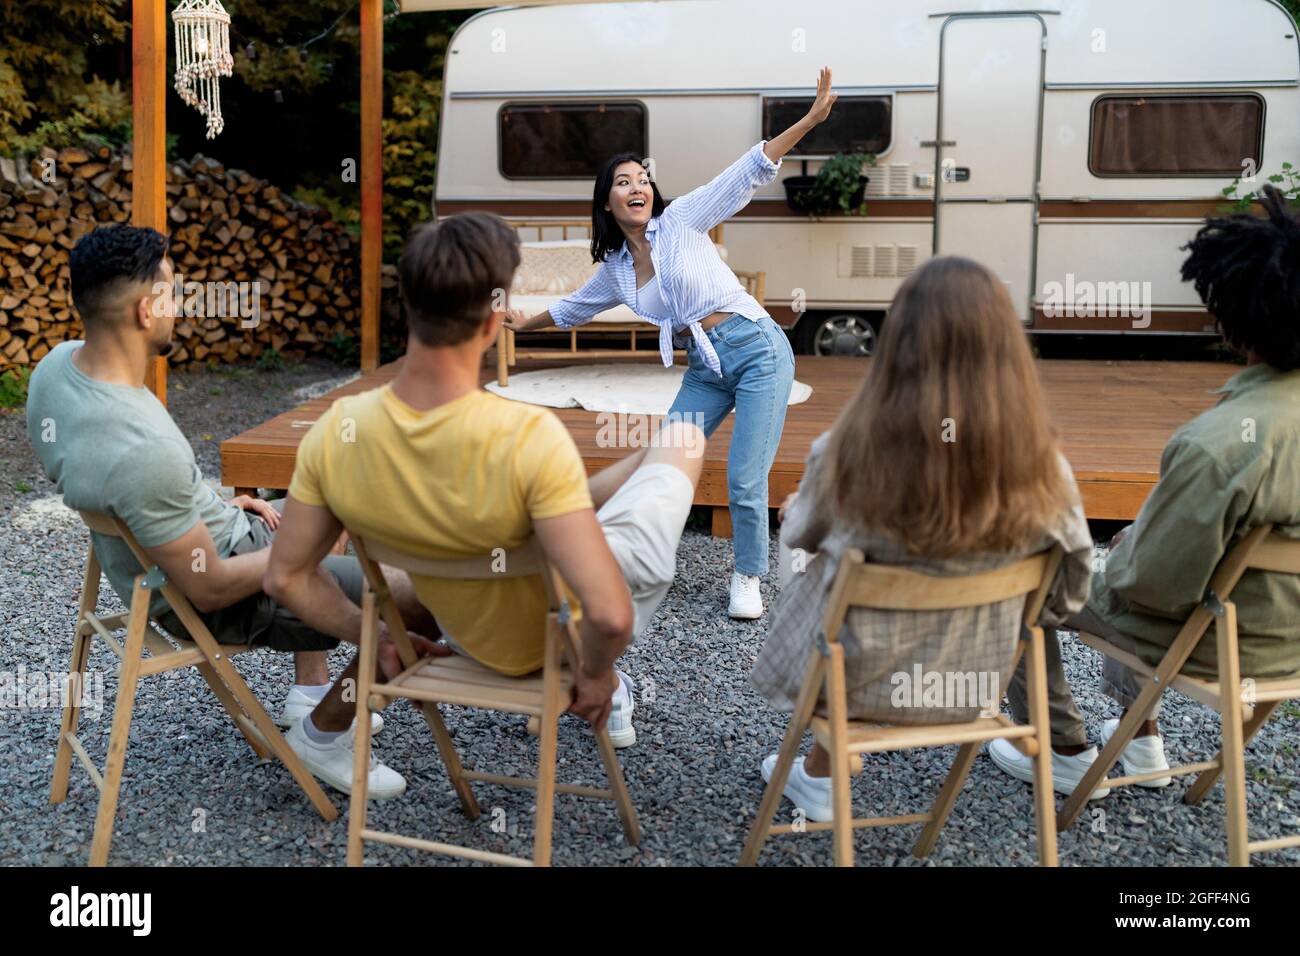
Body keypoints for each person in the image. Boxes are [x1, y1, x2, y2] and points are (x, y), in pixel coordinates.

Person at [264, 212, 705, 773]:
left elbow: (285, 576)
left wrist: (376, 635)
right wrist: (596, 675)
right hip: (560, 643)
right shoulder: (527, 437)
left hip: (462, 633)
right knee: (684, 438)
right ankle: (607, 502)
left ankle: (593, 493)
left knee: (596, 482)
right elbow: (612, 618)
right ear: (497, 320)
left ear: (407, 307)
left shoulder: (336, 431)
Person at [25, 224, 430, 800]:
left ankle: (311, 693)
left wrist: (210, 505)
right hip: (218, 593)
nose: (181, 302)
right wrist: (302, 546)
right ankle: (325, 733)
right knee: (423, 592)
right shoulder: (142, 450)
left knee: (354, 491)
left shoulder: (57, 368)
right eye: (172, 290)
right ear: (145, 312)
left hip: (183, 552)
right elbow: (211, 587)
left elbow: (129, 490)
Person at [750, 256, 1094, 823]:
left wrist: (798, 513)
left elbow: (802, 534)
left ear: (898, 344)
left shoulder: (847, 452)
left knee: (810, 554)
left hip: (857, 686)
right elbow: (1073, 580)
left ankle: (818, 772)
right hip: (976, 681)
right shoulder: (1045, 468)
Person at [990, 184, 1300, 796]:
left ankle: (1064, 748)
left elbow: (1153, 589)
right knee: (1140, 546)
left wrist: (1118, 555)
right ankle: (1140, 741)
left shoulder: (1217, 444)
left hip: (1217, 645)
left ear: (1232, 318)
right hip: (1289, 646)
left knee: (1019, 573)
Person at [504, 68, 844, 621]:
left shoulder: (683, 219)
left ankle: (748, 576)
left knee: (743, 473)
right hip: (705, 366)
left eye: (643, 178)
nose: (637, 186)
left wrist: (808, 119)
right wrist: (524, 323)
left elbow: (747, 171)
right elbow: (573, 309)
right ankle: (620, 556)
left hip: (757, 348)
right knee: (663, 459)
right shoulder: (615, 267)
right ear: (608, 201)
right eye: (624, 181)